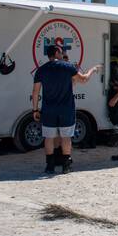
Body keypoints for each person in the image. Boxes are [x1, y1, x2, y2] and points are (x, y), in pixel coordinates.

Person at [31, 45, 100, 174]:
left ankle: (50, 166)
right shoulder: (68, 67)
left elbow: (35, 92)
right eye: (61, 52)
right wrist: (93, 70)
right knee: (66, 137)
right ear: (57, 53)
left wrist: (35, 110)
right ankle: (66, 166)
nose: (63, 54)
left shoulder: (41, 70)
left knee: (49, 138)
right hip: (66, 109)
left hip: (48, 109)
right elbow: (84, 79)